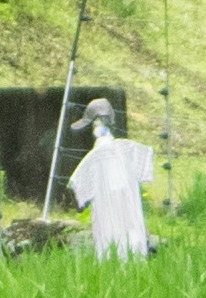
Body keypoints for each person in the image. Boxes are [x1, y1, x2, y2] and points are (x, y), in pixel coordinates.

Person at [63, 99, 158, 263]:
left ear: (94, 126)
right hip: (133, 227)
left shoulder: (91, 161)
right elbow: (147, 165)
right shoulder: (130, 149)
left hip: (107, 232)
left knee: (110, 250)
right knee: (133, 245)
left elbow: (77, 198)